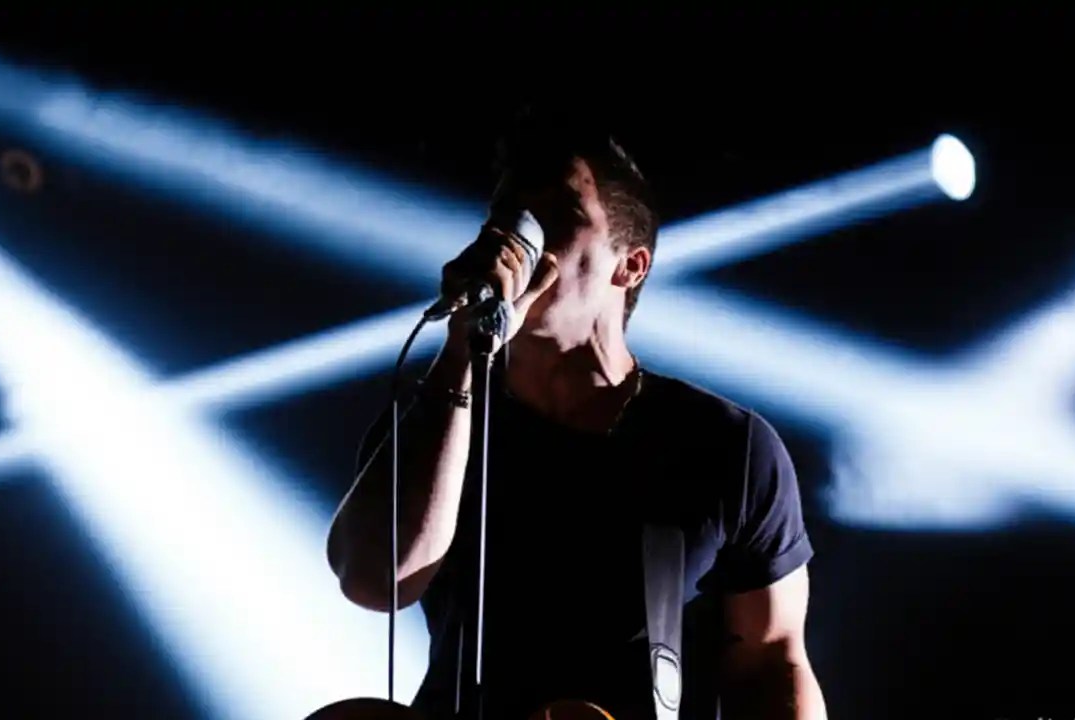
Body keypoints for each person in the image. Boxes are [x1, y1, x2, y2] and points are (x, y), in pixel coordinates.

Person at [326, 110, 827, 720]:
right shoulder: (441, 416)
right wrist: (461, 350)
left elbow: (771, 658)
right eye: (508, 216)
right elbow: (373, 580)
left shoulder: (724, 446)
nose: (520, 240)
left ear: (630, 265)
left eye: (557, 217)